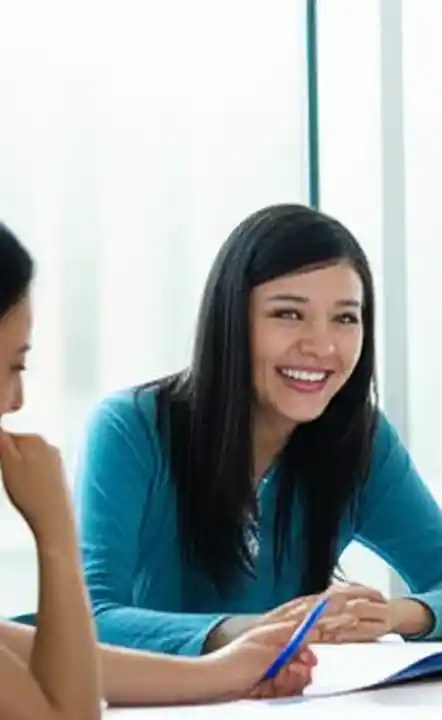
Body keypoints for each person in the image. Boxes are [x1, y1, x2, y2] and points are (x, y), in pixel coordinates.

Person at [76, 204, 442, 655]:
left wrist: (388, 616)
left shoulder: (359, 439)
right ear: (231, 319)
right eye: (289, 315)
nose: (322, 346)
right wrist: (256, 633)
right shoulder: (131, 428)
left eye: (345, 318)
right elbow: (90, 617)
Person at [0, 221, 315, 712]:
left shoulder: (356, 437)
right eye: (13, 367)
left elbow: (25, 654)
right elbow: (71, 712)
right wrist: (55, 533)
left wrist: (225, 670)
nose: (15, 401)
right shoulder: (131, 423)